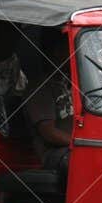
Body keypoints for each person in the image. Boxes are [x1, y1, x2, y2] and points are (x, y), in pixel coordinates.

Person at [21, 33, 73, 171]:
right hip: (56, 153)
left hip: (78, 146)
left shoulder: (71, 83)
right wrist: (81, 144)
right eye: (70, 48)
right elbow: (49, 132)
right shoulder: (40, 87)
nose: (74, 53)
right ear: (57, 52)